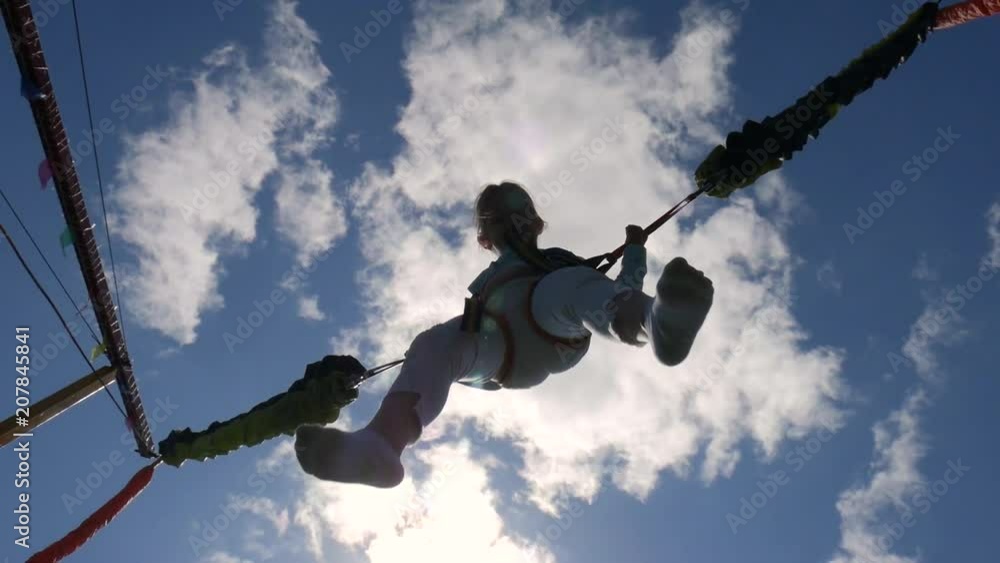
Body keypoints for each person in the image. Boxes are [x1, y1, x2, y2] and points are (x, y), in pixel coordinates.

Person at [295, 181, 714, 488]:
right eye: (498, 216)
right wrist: (434, 353)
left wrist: (635, 249)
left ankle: (657, 323)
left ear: (535, 220)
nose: (512, 220)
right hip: (502, 355)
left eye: (520, 210)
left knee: (567, 287)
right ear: (484, 237)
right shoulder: (485, 283)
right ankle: (381, 444)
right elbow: (466, 335)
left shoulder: (558, 262)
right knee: (432, 342)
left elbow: (613, 289)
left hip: (551, 328)